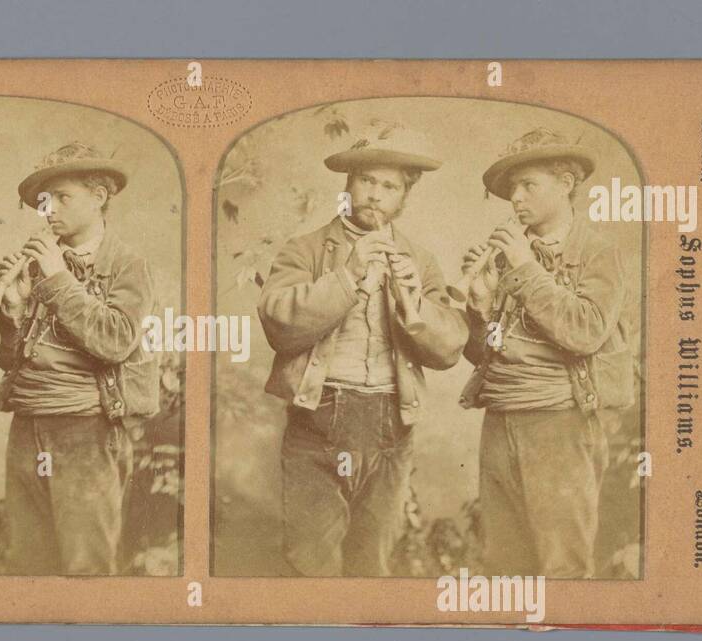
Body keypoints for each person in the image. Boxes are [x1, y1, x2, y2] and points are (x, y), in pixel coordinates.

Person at [258, 132, 467, 576]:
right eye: (366, 180)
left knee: (372, 562)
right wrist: (349, 274)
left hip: (391, 422)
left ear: (405, 195)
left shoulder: (420, 260)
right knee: (310, 560)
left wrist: (414, 302)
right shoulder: (306, 249)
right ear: (348, 185)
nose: (374, 194)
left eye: (389, 186)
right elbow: (279, 324)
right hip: (319, 418)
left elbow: (450, 348)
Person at [459, 127, 633, 578]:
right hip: (499, 419)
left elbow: (586, 331)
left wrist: (523, 268)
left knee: (563, 568)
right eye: (512, 189)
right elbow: (483, 356)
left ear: (566, 183)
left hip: (560, 423)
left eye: (528, 185)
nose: (516, 198)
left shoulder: (599, 251)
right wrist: (478, 311)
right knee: (504, 566)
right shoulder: (509, 255)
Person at [0, 142, 159, 575]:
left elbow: (117, 340)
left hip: (86, 426)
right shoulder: (39, 265)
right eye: (44, 202)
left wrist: (58, 279)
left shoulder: (127, 264)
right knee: (29, 563)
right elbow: (10, 362)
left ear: (99, 197)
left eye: (63, 198)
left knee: (86, 566)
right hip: (28, 423)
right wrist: (10, 314)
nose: (50, 210)